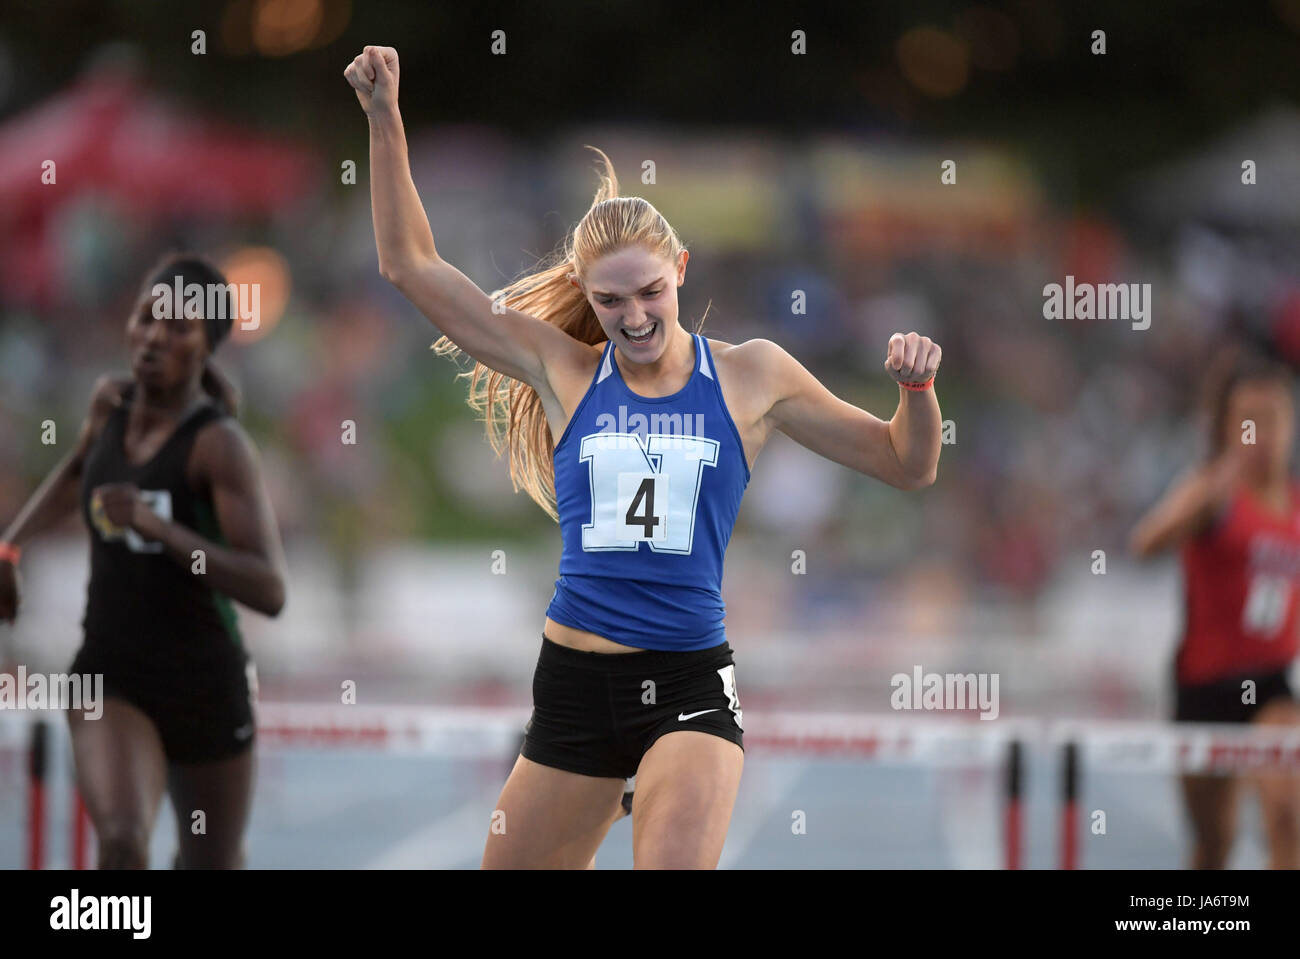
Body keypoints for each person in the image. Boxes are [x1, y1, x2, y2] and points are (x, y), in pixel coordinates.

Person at [345, 45, 942, 868]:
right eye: (610, 300)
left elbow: (906, 465)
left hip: (690, 688)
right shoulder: (564, 370)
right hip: (573, 686)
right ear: (587, 299)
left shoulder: (751, 375)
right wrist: (385, 121)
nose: (633, 316)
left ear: (680, 271)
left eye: (649, 291)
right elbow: (409, 265)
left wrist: (917, 394)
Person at [0, 254, 287, 869]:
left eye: (178, 327)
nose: (155, 335)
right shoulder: (109, 403)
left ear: (207, 347)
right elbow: (76, 468)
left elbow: (269, 590)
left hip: (206, 685)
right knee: (124, 840)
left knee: (210, 861)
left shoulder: (219, 446)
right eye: (147, 317)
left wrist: (162, 529)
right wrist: (10, 545)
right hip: (110, 674)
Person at [1130, 346, 1300, 869]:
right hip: (1202, 689)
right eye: (1249, 421)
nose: (1262, 434)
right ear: (1227, 427)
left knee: (1287, 815)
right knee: (1214, 847)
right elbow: (1144, 545)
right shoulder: (1212, 490)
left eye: (1272, 419)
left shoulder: (1295, 503)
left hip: (1269, 686)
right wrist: (1199, 502)